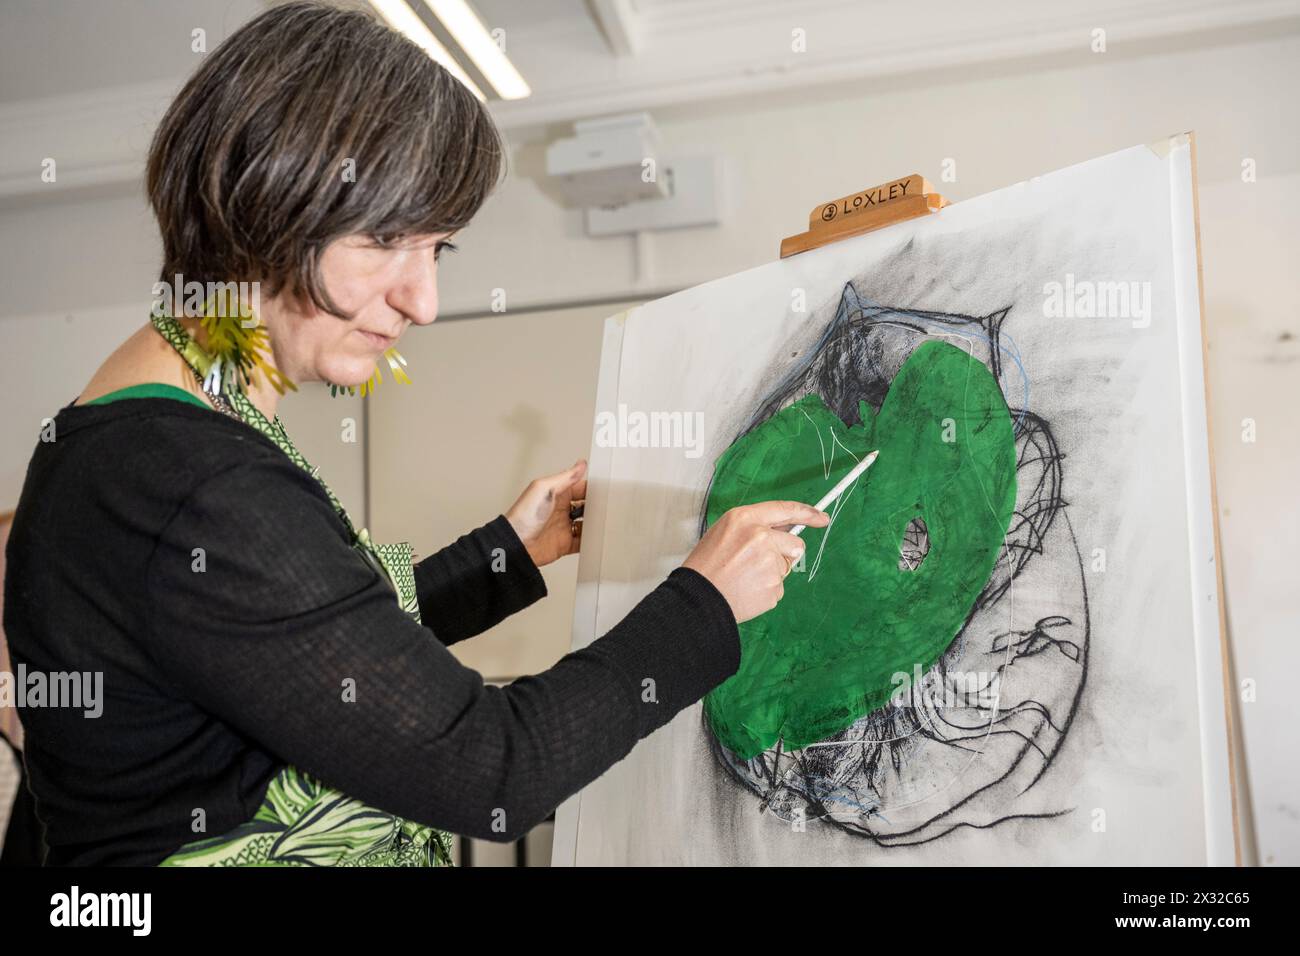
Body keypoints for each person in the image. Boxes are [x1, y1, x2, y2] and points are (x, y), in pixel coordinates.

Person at [1, 2, 825, 866]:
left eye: (439, 250)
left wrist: (510, 553)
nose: (422, 301)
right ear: (264, 201)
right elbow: (491, 769)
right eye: (388, 239)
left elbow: (307, 653)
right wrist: (704, 605)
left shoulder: (146, 429)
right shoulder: (193, 484)